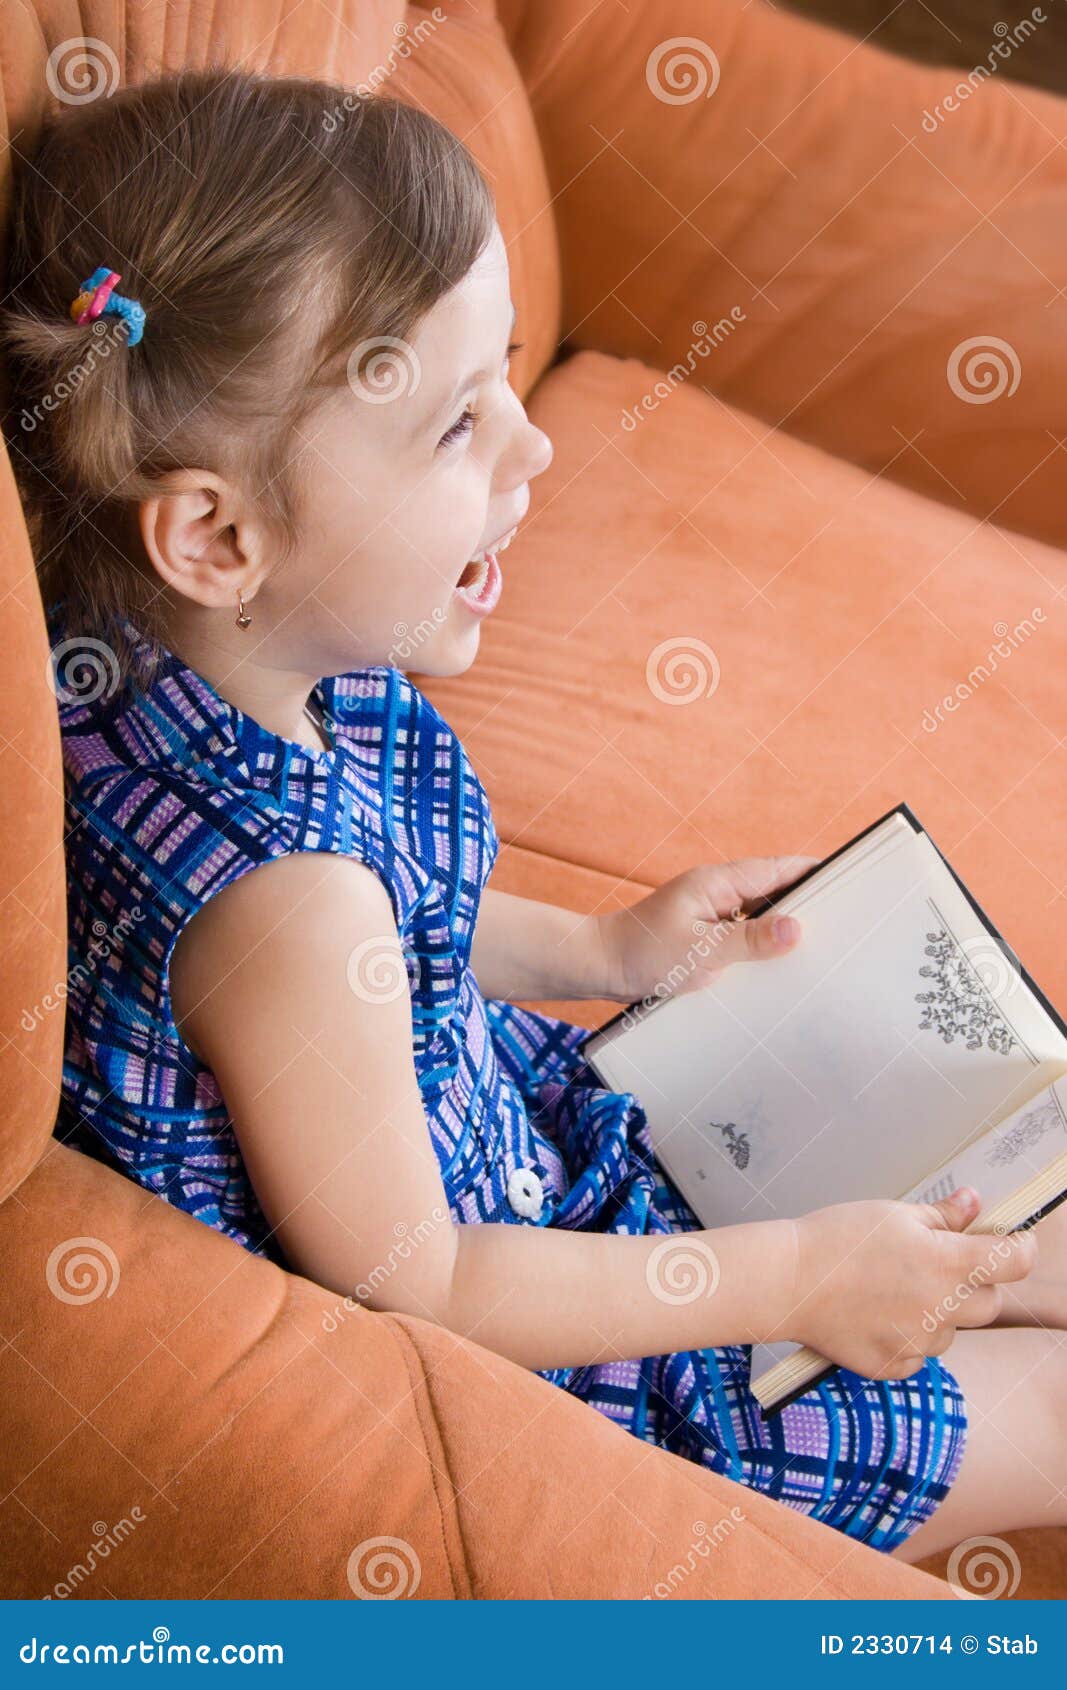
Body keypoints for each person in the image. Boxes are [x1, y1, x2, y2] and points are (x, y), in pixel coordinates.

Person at [3, 65, 1058, 1566]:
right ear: (218, 537)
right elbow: (421, 1279)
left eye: (507, 374)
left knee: (1026, 1198)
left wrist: (607, 948)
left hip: (548, 1148)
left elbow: (398, 941)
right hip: (591, 1358)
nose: (532, 444)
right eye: (455, 426)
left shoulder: (198, 658)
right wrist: (797, 1278)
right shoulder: (280, 904)